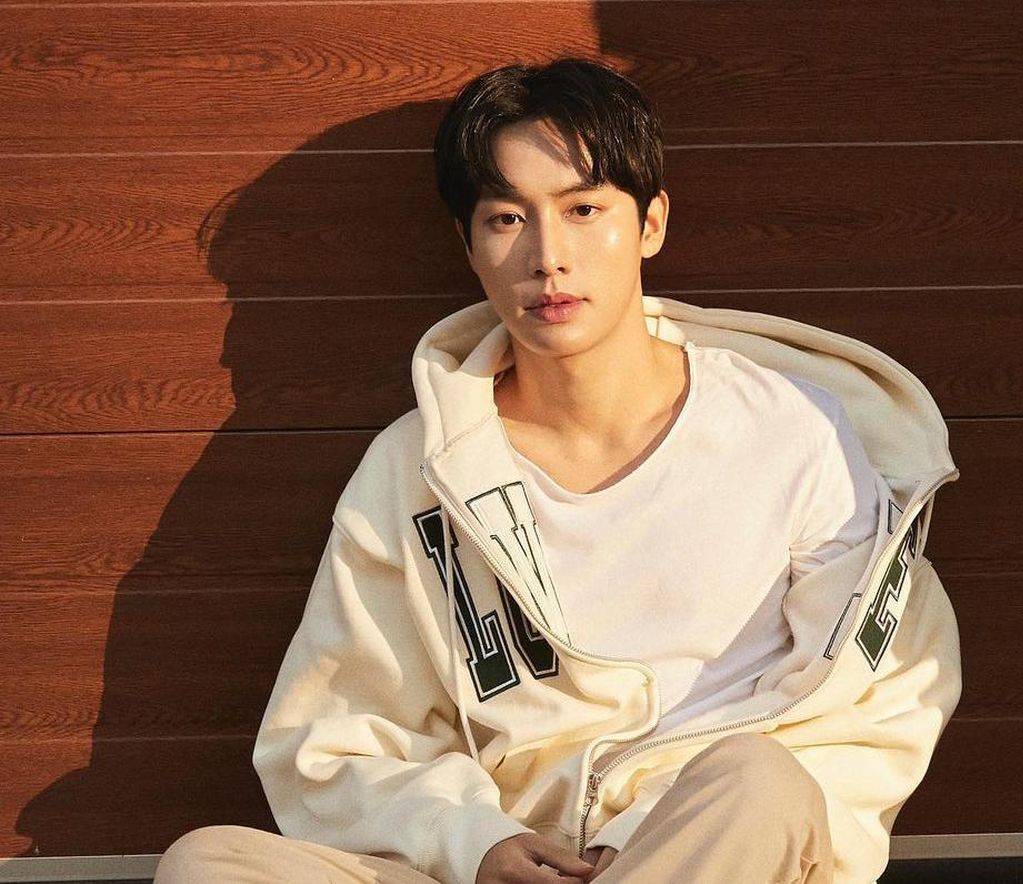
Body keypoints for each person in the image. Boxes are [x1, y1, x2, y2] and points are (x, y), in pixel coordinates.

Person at [156, 57, 961, 884]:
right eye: (508, 218)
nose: (548, 257)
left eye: (583, 210)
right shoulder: (418, 469)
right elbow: (335, 737)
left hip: (707, 850)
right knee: (207, 865)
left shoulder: (792, 430)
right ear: (468, 244)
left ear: (650, 224)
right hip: (507, 858)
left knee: (761, 782)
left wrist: (646, 833)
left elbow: (874, 703)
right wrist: (475, 841)